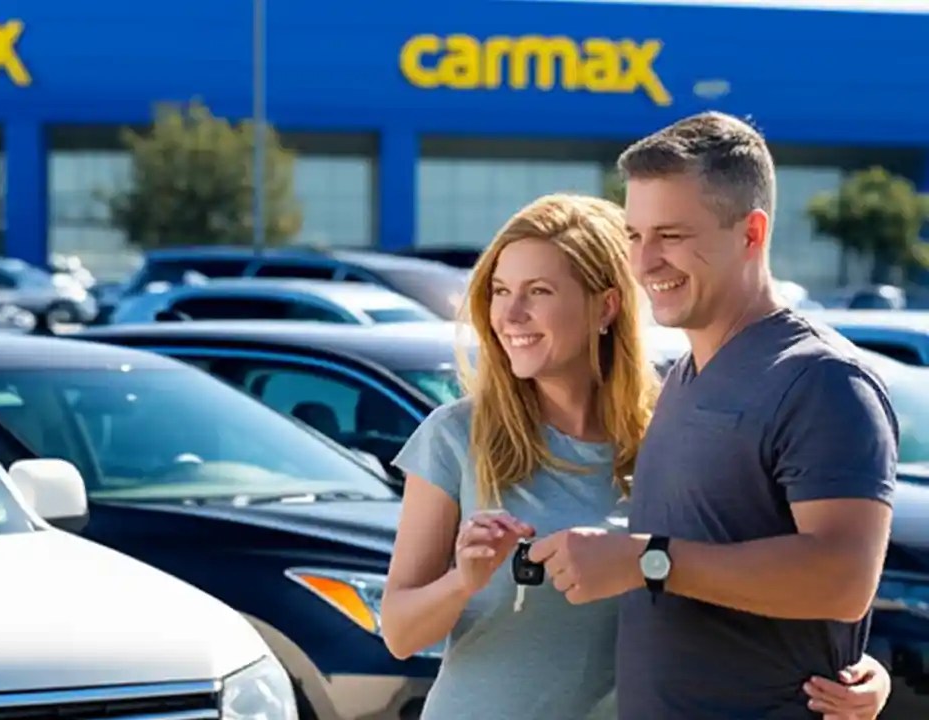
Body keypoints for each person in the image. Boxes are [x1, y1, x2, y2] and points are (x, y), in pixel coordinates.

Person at [378, 193, 890, 720]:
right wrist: (462, 580)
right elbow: (399, 632)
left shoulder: (671, 430)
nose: (509, 314)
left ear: (606, 306)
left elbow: (732, 576)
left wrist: (855, 668)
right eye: (501, 290)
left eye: (538, 291)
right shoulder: (456, 436)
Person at [527, 112, 898, 719]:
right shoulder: (681, 378)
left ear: (751, 232)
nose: (645, 262)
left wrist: (645, 559)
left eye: (671, 235)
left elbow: (843, 578)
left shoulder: (822, 380)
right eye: (634, 235)